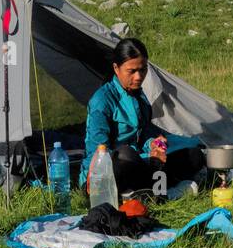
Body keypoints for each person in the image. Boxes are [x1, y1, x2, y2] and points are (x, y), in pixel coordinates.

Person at [79, 37, 205, 196]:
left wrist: (155, 144)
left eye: (143, 69)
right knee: (125, 154)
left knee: (194, 155)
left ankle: (145, 189)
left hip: (139, 162)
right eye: (131, 71)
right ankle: (159, 187)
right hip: (106, 171)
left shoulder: (139, 95)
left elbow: (145, 131)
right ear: (116, 68)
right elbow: (98, 152)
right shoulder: (102, 101)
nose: (139, 77)